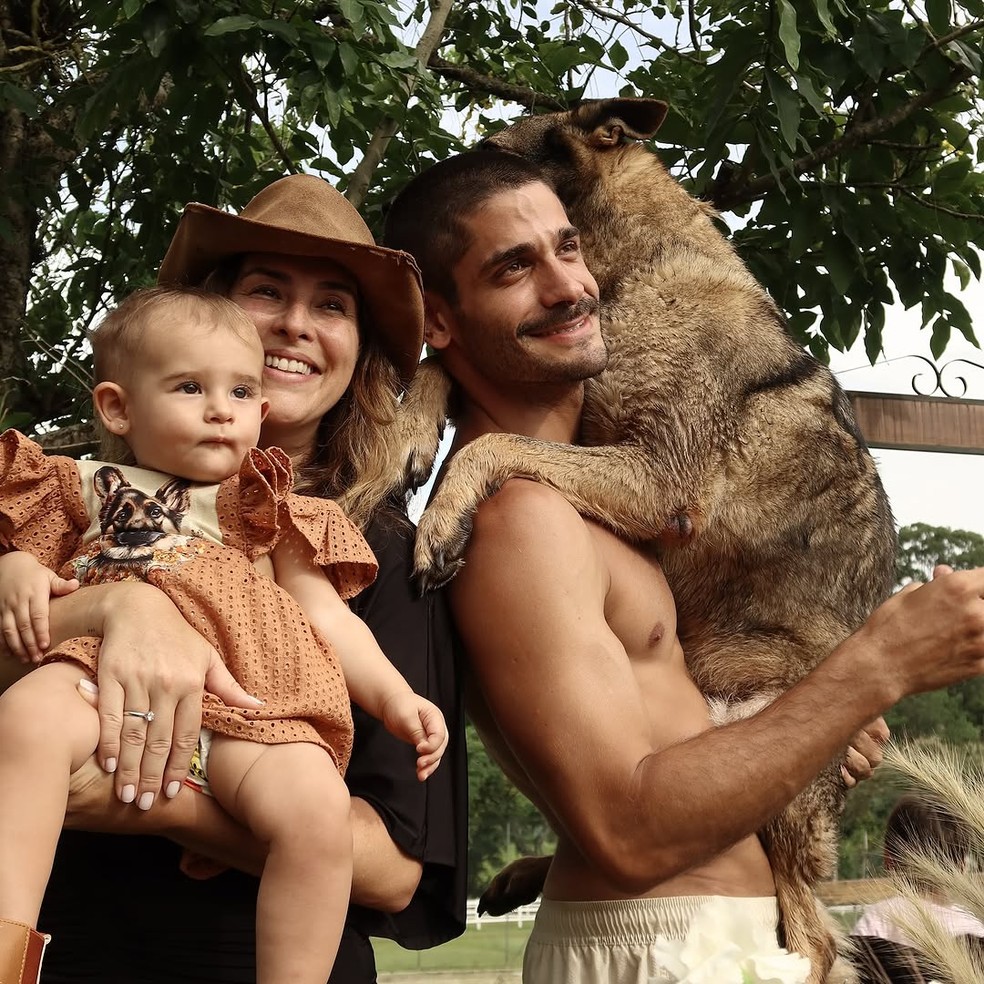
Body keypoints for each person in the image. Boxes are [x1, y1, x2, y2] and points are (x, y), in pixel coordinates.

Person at [382, 149, 984, 983]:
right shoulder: (523, 519)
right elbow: (628, 832)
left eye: (570, 246)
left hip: (708, 937)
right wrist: (874, 667)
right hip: (661, 947)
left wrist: (806, 722)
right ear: (438, 321)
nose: (568, 286)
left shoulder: (586, 496)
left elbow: (635, 740)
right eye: (514, 269)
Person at [0, 174, 466, 983]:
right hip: (80, 944)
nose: (294, 324)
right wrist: (112, 605)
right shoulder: (78, 493)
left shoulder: (365, 543)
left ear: (359, 353)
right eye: (265, 290)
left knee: (313, 802)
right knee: (32, 725)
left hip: (235, 916)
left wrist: (158, 804)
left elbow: (394, 868)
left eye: (331, 304)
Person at [853, 793, 984, 946]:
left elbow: (850, 965)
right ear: (962, 867)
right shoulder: (974, 929)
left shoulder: (877, 920)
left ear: (888, 859)